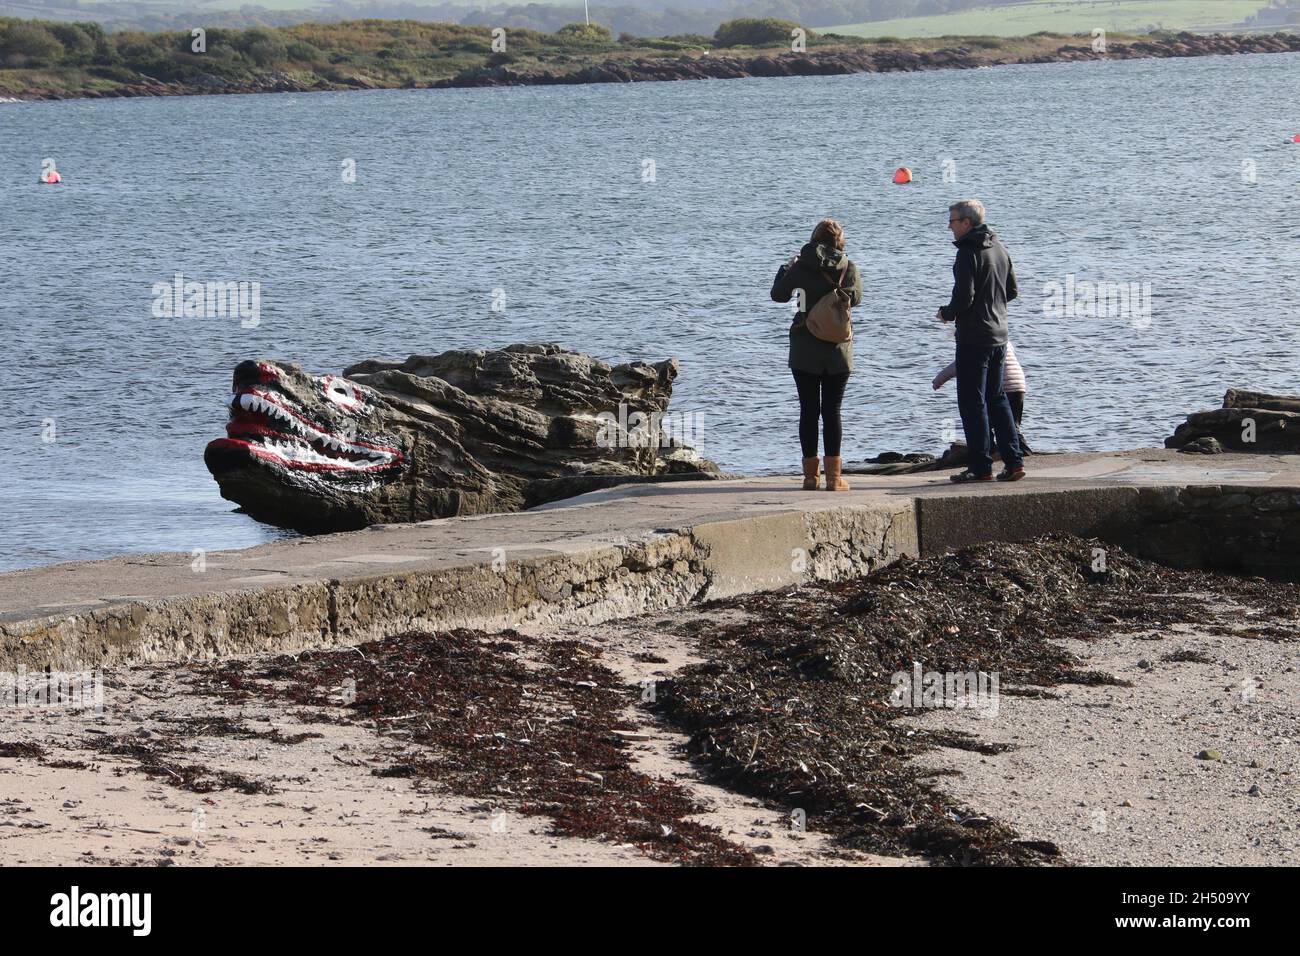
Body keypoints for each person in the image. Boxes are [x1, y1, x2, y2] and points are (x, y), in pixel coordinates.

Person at [771, 219, 863, 491]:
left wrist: (786, 268)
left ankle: (811, 477)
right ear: (840, 242)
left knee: (808, 410)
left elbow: (778, 295)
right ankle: (834, 479)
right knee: (833, 410)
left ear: (814, 239)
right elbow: (856, 299)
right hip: (838, 349)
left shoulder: (800, 266)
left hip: (804, 347)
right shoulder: (848, 267)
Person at [936, 199, 1025, 482]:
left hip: (974, 338)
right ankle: (1014, 462)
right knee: (997, 399)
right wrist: (992, 306)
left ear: (966, 222)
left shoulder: (967, 252)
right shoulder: (999, 247)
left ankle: (981, 467)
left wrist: (946, 314)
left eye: (952, 221)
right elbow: (1011, 290)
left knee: (972, 403)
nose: (949, 227)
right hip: (1000, 336)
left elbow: (964, 298)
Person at [932, 339, 1031, 455]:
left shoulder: (977, 343)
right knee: (1012, 423)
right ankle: (1022, 451)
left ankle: (990, 450)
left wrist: (938, 380)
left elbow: (960, 365)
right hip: (1019, 385)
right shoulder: (1004, 339)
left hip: (1002, 386)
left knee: (984, 421)